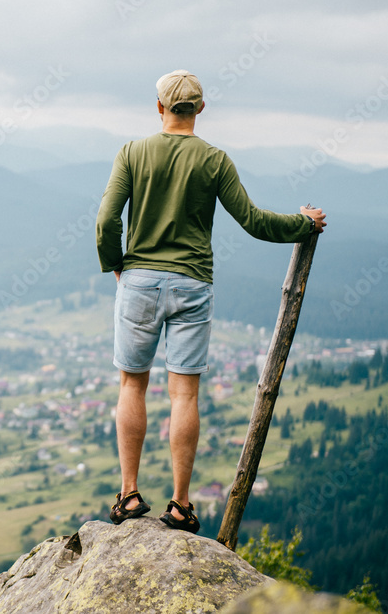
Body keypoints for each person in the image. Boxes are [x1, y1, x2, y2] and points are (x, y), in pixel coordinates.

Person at [95, 69, 327, 533]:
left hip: (139, 282)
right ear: (199, 109)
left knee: (132, 386)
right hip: (192, 284)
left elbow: (106, 222)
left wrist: (116, 264)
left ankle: (129, 494)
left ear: (158, 107)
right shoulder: (214, 160)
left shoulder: (132, 153)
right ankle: (180, 504)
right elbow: (255, 221)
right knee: (184, 393)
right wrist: (303, 223)